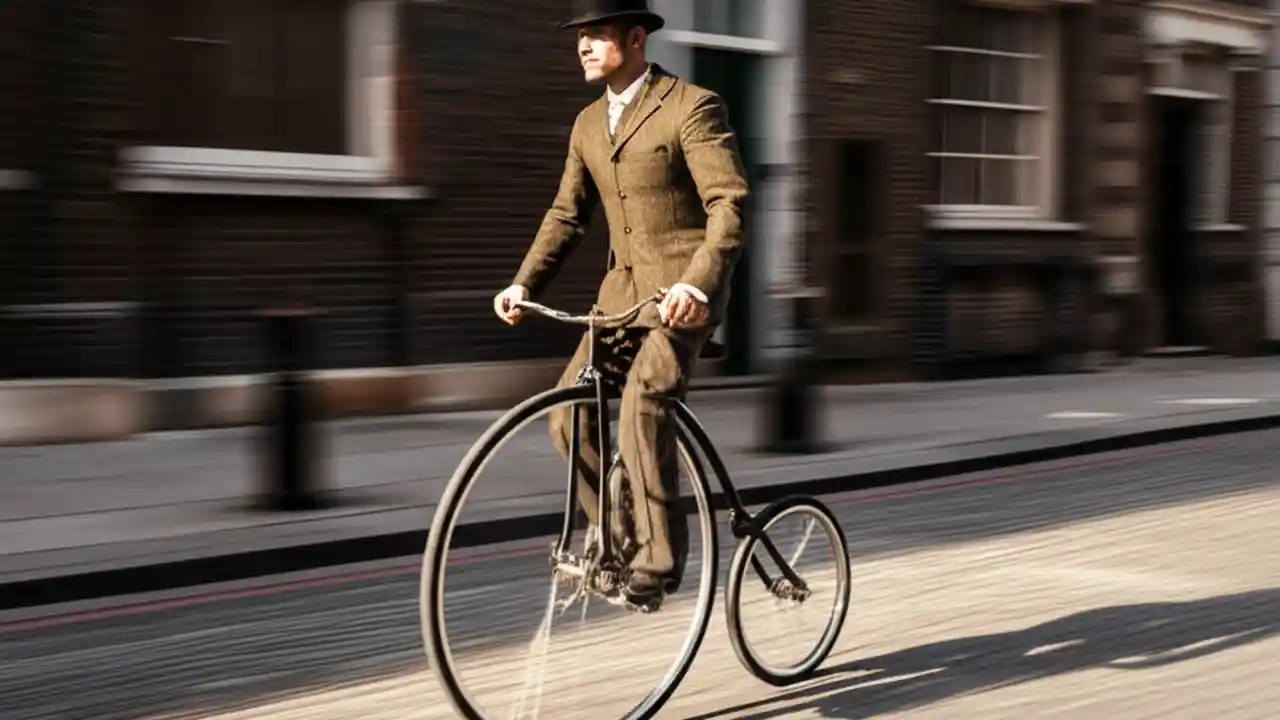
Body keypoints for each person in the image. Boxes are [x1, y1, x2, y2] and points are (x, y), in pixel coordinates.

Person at [492, 0, 749, 611]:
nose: (582, 47)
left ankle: (659, 560)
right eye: (578, 37)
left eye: (596, 36)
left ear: (635, 39)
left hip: (681, 298)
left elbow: (729, 205)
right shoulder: (586, 124)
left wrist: (698, 285)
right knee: (567, 417)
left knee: (643, 402)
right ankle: (615, 538)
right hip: (619, 301)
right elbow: (567, 215)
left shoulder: (691, 106)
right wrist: (525, 283)